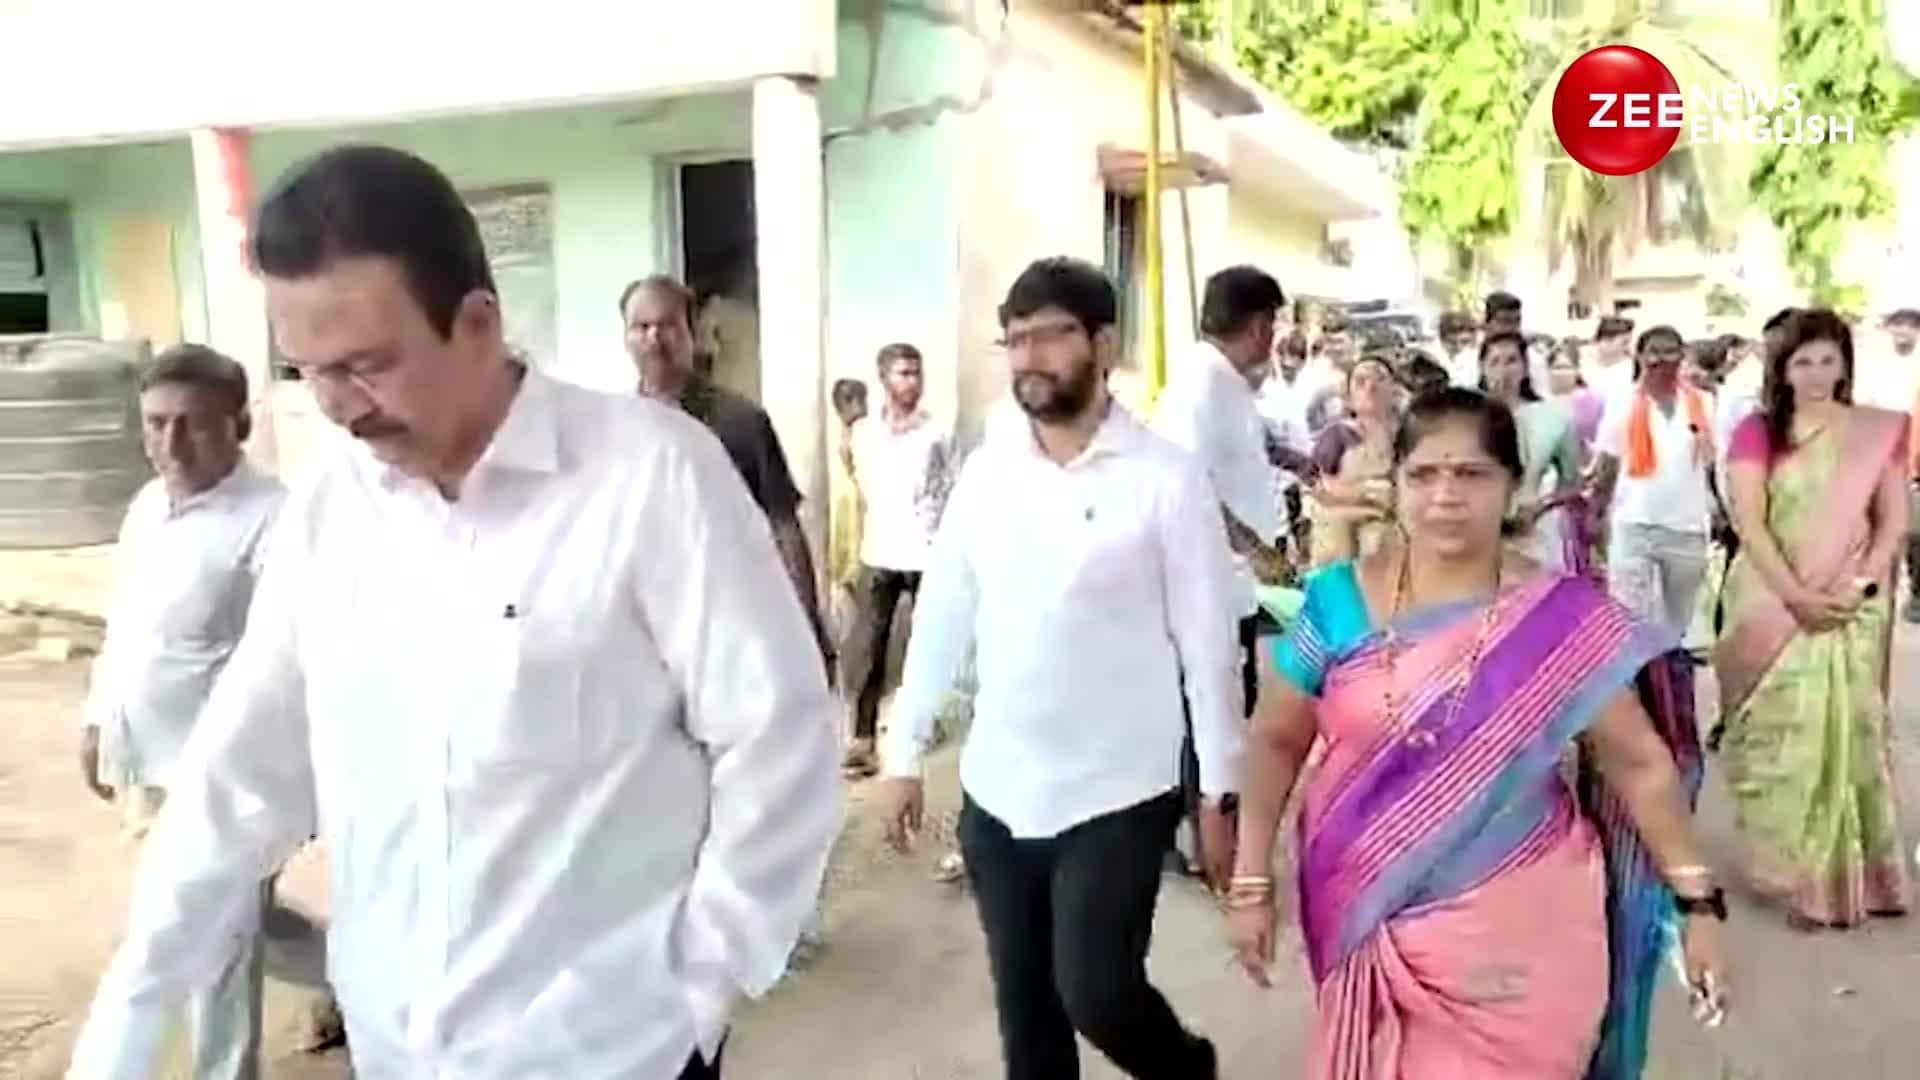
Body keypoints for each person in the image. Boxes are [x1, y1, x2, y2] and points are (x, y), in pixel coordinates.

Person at [68, 145, 840, 1080]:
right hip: (399, 1050)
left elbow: (778, 735)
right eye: (308, 368)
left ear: (478, 322)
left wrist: (704, 982)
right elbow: (236, 783)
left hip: (611, 1053)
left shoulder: (651, 478)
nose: (338, 406)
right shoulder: (330, 511)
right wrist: (124, 1030)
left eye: (366, 365)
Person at [1227, 387, 1729, 1079]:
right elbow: (1276, 742)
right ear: (1394, 484)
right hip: (1366, 902)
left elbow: (1638, 764)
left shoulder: (1564, 618)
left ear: (1512, 486)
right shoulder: (1337, 601)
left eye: (1471, 474)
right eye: (1424, 475)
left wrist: (1696, 900)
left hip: (1522, 925)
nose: (1445, 496)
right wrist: (1252, 879)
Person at [879, 257, 1238, 1080]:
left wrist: (1219, 792)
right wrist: (904, 753)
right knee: (1028, 1019)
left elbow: (1208, 646)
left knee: (1098, 992)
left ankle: (1188, 1069)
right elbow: (942, 617)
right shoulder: (988, 474)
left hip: (1118, 791)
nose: (1029, 358)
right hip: (1000, 791)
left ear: (1102, 344)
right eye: (1015, 340)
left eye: (1050, 337)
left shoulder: (1165, 479)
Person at [79, 345, 310, 1079]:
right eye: (155, 424)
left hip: (222, 782)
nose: (170, 444)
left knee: (213, 949)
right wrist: (97, 720)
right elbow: (126, 622)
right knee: (213, 925)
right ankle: (350, 970)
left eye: (193, 425)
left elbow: (282, 666)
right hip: (145, 761)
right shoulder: (149, 506)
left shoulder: (275, 522)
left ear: (239, 425)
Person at [1715, 308, 1911, 929]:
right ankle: (1794, 872)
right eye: (1804, 361)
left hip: (1852, 606)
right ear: (1783, 368)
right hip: (1773, 602)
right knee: (1778, 740)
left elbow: (1892, 522)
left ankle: (1843, 882)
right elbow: (1750, 522)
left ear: (1846, 365)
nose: (1818, 373)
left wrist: (1860, 584)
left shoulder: (1874, 432)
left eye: (1830, 360)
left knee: (1847, 736)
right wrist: (1796, 596)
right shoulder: (1757, 432)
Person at [622, 274, 833, 672]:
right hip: (650, 640)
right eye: (641, 327)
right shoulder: (616, 431)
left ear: (692, 332)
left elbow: (784, 527)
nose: (654, 338)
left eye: (667, 325)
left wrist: (807, 629)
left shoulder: (740, 423)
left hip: (733, 631)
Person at [1153, 265, 1288, 873]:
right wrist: (1255, 547)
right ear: (1259, 324)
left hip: (1233, 582)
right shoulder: (1199, 384)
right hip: (1208, 579)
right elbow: (1190, 485)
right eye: (1274, 324)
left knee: (1228, 706)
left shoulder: (1226, 382)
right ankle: (1189, 835)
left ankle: (1201, 823)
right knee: (1205, 712)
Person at [839, 342, 953, 778]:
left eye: (917, 373)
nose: (913, 382)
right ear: (884, 378)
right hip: (879, 550)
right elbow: (858, 477)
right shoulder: (864, 432)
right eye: (904, 373)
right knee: (870, 646)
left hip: (927, 551)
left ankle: (919, 730)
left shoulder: (938, 431)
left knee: (929, 644)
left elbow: (950, 483)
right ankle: (863, 740)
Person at [1590, 327, 1717, 642]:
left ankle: (1672, 686)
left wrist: (1724, 510)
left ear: (1682, 355)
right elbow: (1608, 464)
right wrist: (1594, 512)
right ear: (1640, 357)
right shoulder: (1621, 402)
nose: (1661, 359)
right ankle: (1638, 686)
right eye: (1653, 352)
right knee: (1629, 623)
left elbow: (1713, 464)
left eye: (1670, 351)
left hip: (1687, 527)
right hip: (1635, 526)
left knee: (1679, 627)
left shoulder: (1703, 403)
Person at [1481, 332, 1586, 574]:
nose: (1503, 371)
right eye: (1494, 362)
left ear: (1525, 368)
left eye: (1511, 361)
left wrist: (1541, 506)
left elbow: (1572, 484)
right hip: (1481, 532)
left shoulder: (1553, 417)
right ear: (1483, 369)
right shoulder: (1468, 419)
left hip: (1535, 531)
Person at [1306, 354, 1398, 566]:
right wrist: (1366, 495)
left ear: (1394, 391)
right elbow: (1318, 487)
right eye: (1361, 382)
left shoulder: (1404, 436)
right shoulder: (1337, 436)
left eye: (1379, 379)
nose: (1370, 387)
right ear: (1349, 396)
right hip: (1342, 537)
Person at [826, 377, 869, 643]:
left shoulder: (853, 437)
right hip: (852, 546)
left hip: (854, 546)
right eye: (860, 401)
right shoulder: (850, 440)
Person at [1583, 315, 1638, 404]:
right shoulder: (1581, 361)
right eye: (1624, 342)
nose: (1628, 347)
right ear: (1606, 340)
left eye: (1628, 342)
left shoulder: (1633, 366)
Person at [1436, 310, 1480, 387]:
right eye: (1452, 343)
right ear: (1442, 340)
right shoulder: (1434, 361)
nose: (1459, 348)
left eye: (1464, 342)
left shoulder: (1478, 360)